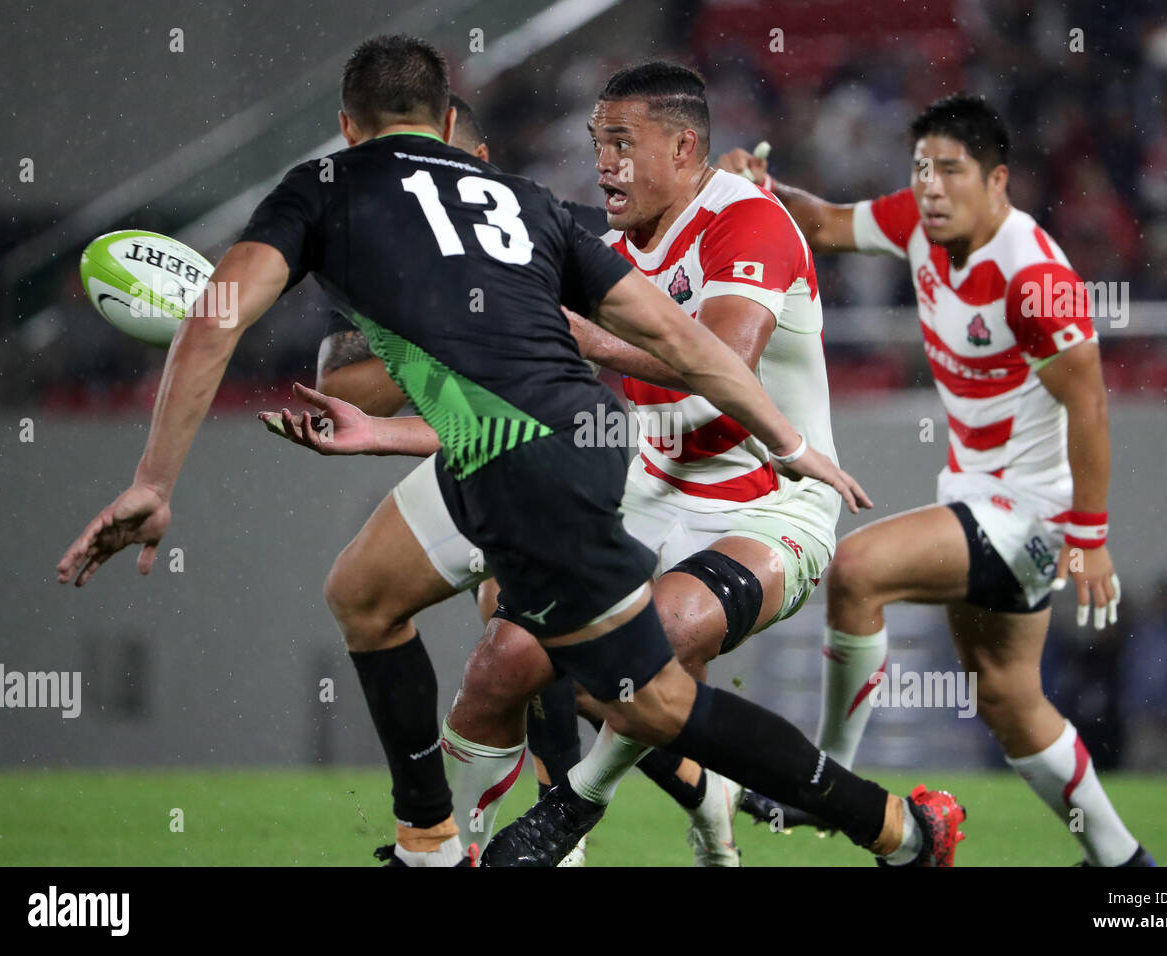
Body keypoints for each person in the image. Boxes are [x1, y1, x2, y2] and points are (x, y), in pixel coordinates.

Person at [55, 35, 964, 869]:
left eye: (623, 143)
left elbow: (702, 360)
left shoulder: (733, 218)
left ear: (344, 127)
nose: (603, 162)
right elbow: (510, 377)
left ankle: (869, 827)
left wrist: (155, 478)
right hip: (580, 463)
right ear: (451, 128)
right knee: (387, 606)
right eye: (596, 141)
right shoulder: (546, 215)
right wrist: (394, 418)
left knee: (639, 687)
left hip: (749, 500)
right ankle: (435, 842)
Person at [303, 90, 738, 867]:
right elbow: (341, 384)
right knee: (527, 659)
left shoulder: (528, 229)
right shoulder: (391, 258)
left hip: (565, 463)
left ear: (474, 166)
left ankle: (526, 834)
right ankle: (676, 792)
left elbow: (672, 342)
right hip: (472, 463)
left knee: (543, 658)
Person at [718, 92, 1151, 866]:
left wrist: (1090, 537)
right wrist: (763, 191)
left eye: (951, 170)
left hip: (1030, 513)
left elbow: (1089, 404)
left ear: (998, 181)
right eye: (921, 170)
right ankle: (1127, 866)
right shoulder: (915, 222)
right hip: (975, 494)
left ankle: (827, 778)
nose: (932, 187)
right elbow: (820, 224)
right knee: (1011, 702)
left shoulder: (1034, 275)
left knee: (857, 570)